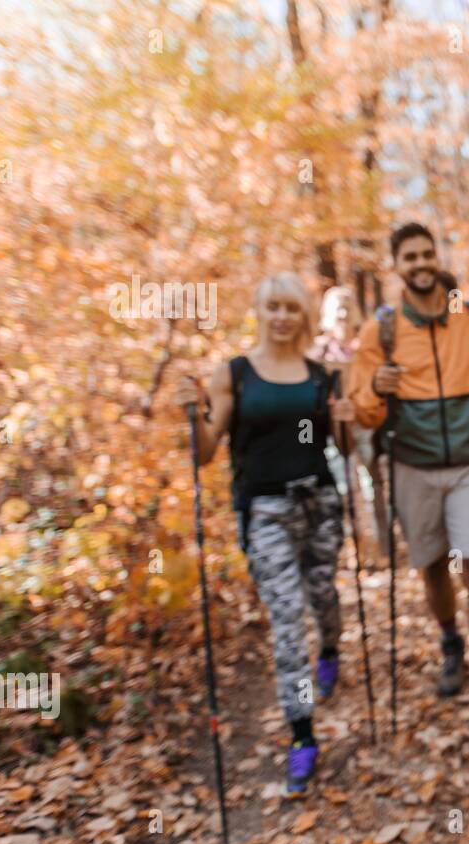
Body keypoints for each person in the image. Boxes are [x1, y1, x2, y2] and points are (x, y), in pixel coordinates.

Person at [173, 272, 357, 796]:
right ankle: (302, 735)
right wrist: (194, 414)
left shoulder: (321, 376)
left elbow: (343, 449)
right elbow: (205, 452)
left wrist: (344, 419)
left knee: (321, 594)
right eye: (272, 306)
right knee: (285, 618)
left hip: (319, 501)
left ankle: (331, 649)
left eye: (291, 308)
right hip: (265, 510)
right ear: (260, 310)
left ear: (303, 316)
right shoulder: (235, 374)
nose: (281, 316)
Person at [348, 223, 469, 735]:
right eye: (410, 256)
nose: (421, 262)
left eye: (427, 253)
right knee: (431, 566)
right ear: (398, 266)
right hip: (412, 468)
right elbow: (360, 411)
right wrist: (377, 390)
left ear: (436, 258)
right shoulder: (380, 332)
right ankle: (451, 641)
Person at [311, 286, 388, 566]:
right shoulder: (318, 352)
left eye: (347, 307)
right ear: (328, 314)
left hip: (364, 422)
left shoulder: (366, 348)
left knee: (373, 486)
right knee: (344, 489)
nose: (343, 313)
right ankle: (356, 550)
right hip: (333, 430)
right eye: (337, 308)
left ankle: (383, 547)